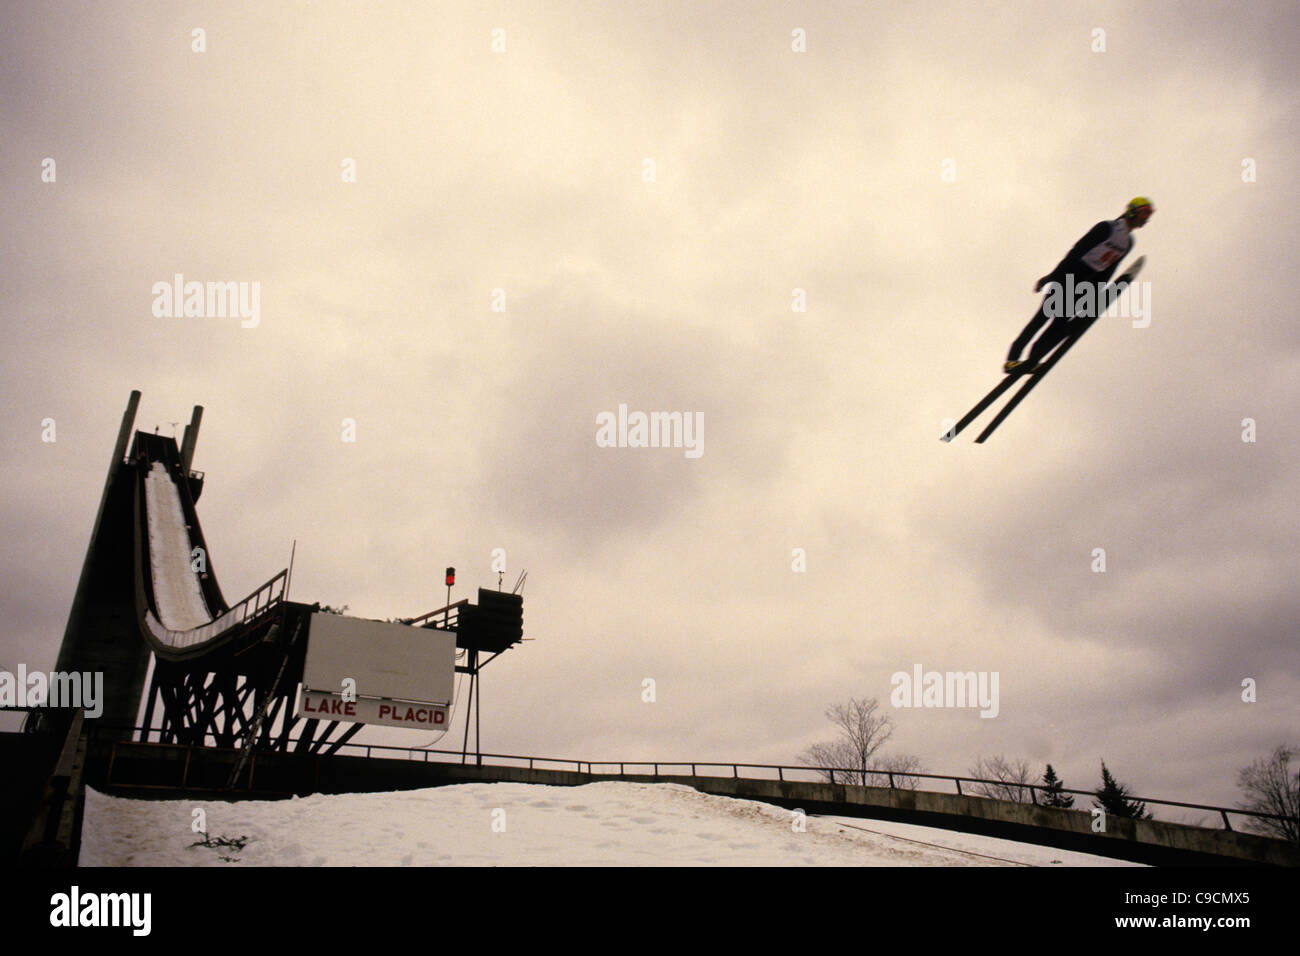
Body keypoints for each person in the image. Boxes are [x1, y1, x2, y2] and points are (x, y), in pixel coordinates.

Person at [1005, 197, 1154, 373]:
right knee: (1043, 317)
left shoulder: (1129, 243)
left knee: (1059, 324)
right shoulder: (1107, 227)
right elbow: (1076, 252)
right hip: (1071, 274)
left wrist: (1098, 292)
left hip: (1087, 283)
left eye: (1148, 215)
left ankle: (1033, 358)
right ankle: (1012, 359)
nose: (1146, 218)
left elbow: (1110, 269)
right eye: (1144, 212)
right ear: (1132, 211)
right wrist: (1051, 277)